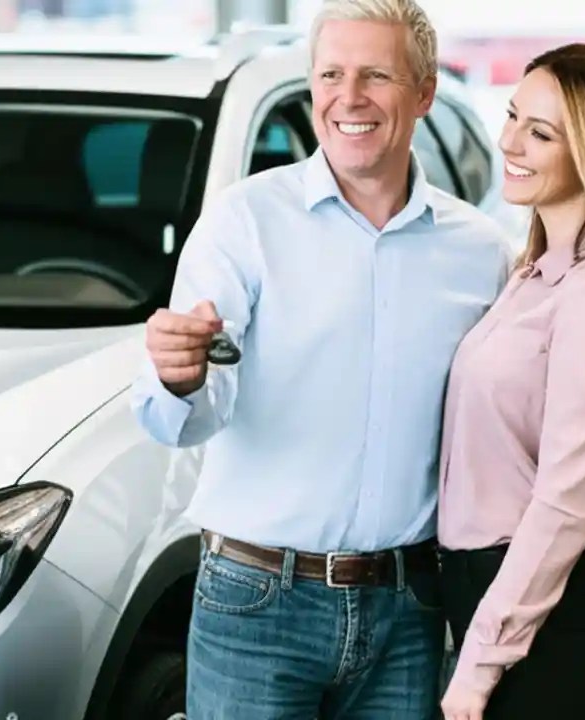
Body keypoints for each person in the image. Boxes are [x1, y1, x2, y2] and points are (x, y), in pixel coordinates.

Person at [131, 1, 513, 717]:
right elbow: (181, 419)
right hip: (256, 604)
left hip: (409, 607)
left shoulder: (482, 253)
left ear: (425, 92)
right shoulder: (244, 223)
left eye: (377, 74)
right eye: (331, 74)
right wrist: (177, 378)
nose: (350, 97)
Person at [436, 43, 585, 720]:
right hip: (503, 600)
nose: (510, 142)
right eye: (512, 117)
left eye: (540, 133)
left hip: (558, 625)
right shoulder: (532, 275)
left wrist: (478, 664)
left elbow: (566, 502)